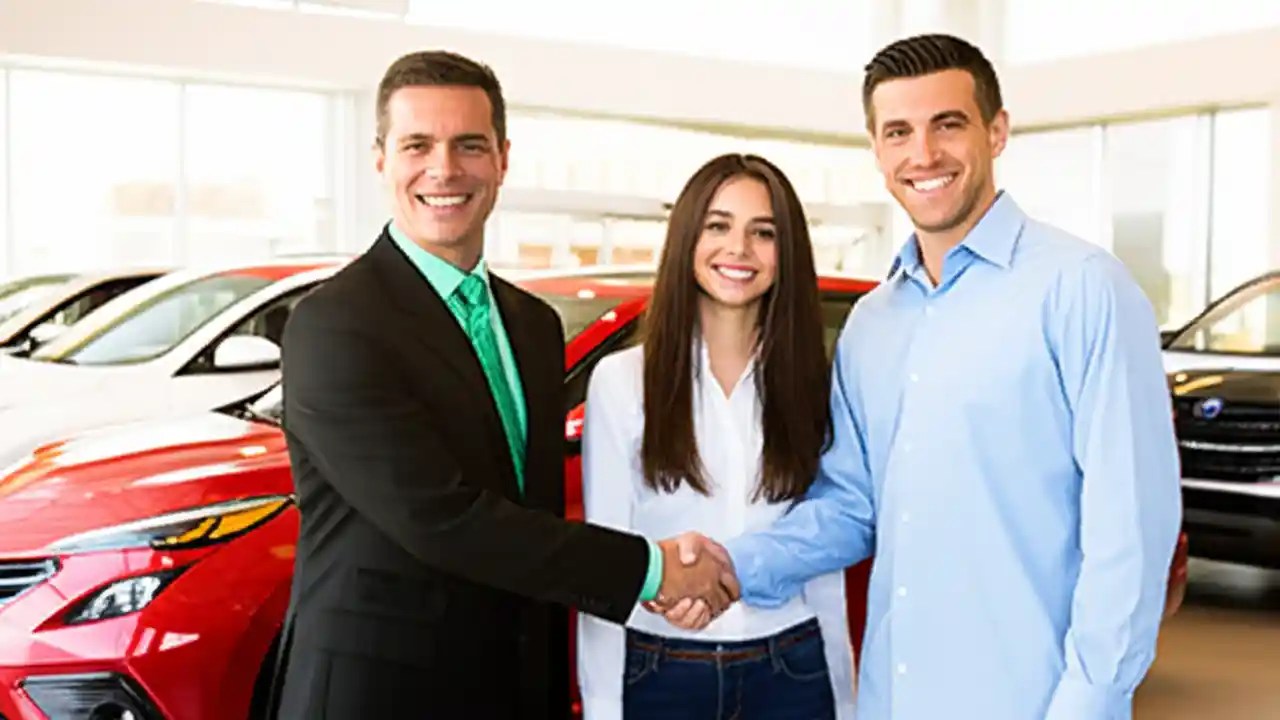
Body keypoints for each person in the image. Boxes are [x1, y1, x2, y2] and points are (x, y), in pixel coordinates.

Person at [661, 33, 1182, 720]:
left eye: (948, 125)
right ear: (877, 150)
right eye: (899, 132)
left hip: (1032, 701)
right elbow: (851, 506)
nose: (924, 154)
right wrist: (731, 565)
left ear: (997, 132)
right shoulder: (874, 323)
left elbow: (1131, 529)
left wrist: (1089, 703)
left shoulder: (1083, 290)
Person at [270, 50, 736, 720]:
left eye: (469, 145)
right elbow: (442, 518)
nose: (444, 169)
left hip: (513, 682)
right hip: (380, 694)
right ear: (380, 159)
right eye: (417, 145)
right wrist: (654, 571)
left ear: (503, 158)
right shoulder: (334, 324)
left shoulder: (531, 324)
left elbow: (532, 515)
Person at [577, 154, 857, 720]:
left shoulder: (814, 383)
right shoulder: (623, 381)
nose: (739, 250)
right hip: (661, 672)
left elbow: (823, 556)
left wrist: (844, 697)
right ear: (687, 238)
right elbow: (607, 563)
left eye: (764, 233)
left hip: (792, 667)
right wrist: (606, 705)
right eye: (718, 226)